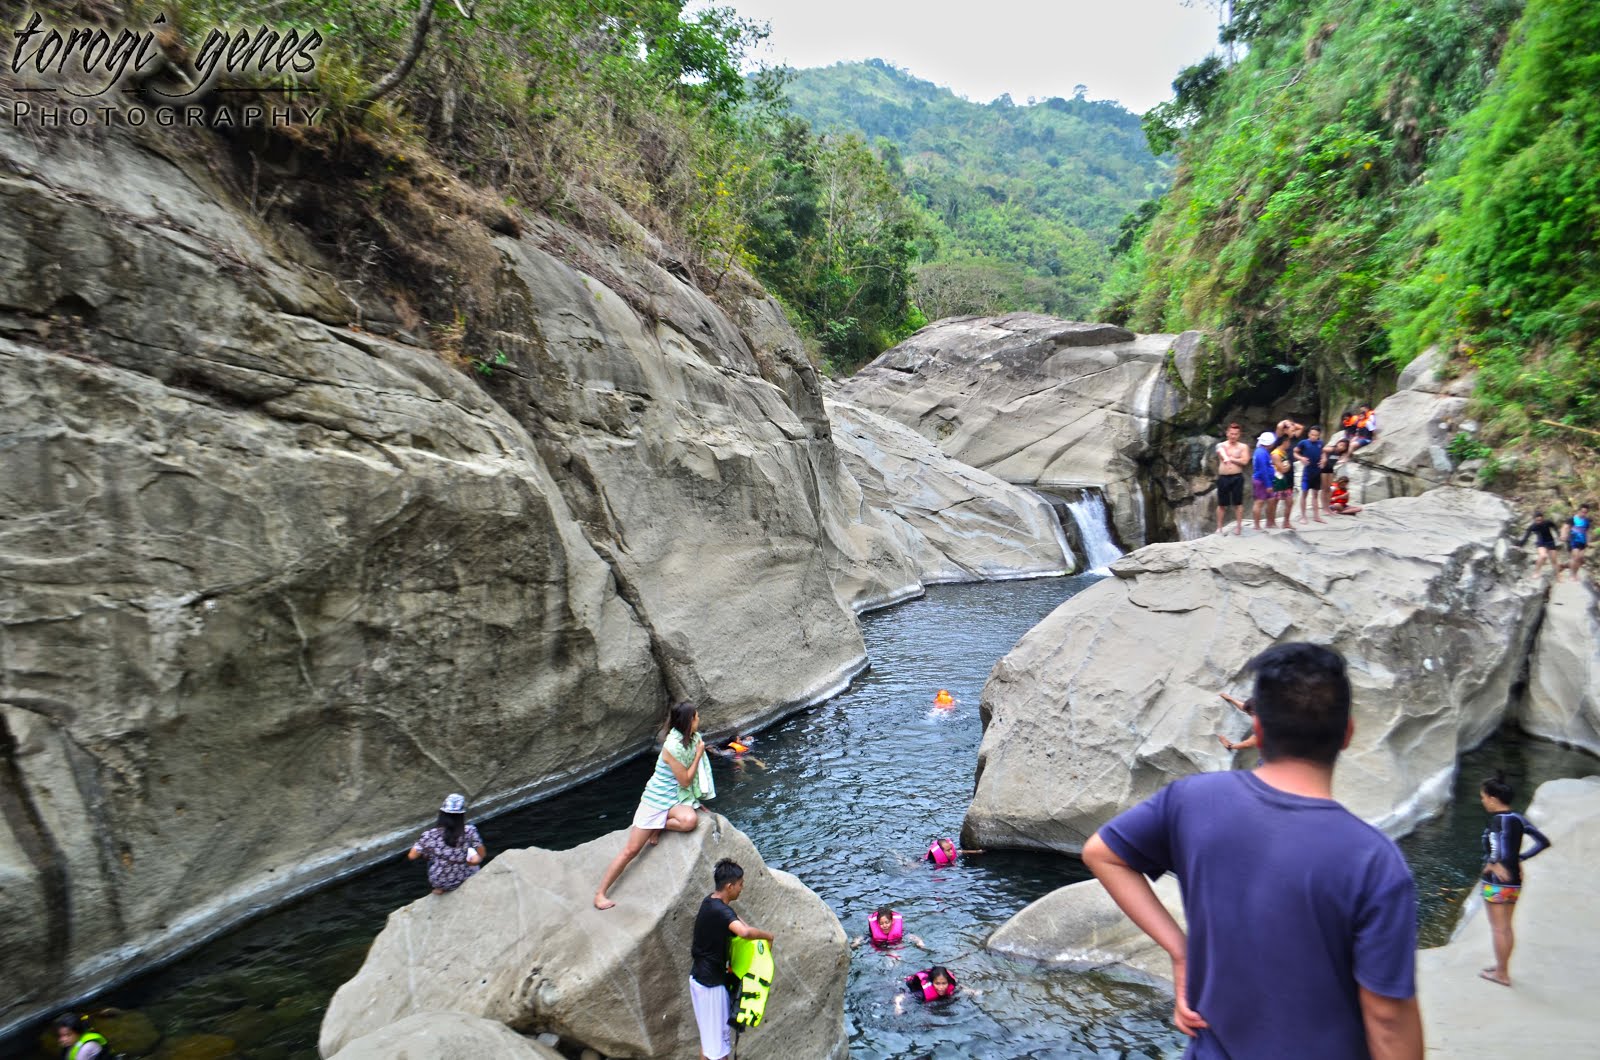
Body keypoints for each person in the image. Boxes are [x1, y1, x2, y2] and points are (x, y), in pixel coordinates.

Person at [1083, 643, 1423, 1059]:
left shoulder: (1190, 800)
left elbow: (1102, 853)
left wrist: (1181, 952)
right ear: (1348, 733)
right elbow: (1387, 1018)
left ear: (1257, 730)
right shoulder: (1374, 860)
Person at [594, 701, 712, 909]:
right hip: (655, 800)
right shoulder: (672, 747)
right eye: (696, 716)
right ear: (689, 721)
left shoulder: (693, 739)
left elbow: (687, 784)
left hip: (675, 797)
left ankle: (658, 826)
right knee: (631, 850)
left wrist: (694, 801)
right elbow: (685, 780)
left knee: (689, 821)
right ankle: (600, 893)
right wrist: (698, 755)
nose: (699, 719)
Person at [690, 859, 774, 1060]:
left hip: (699, 979)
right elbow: (744, 932)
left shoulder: (710, 902)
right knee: (719, 1050)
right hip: (711, 986)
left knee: (709, 1044)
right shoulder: (721, 911)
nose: (742, 888)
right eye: (740, 884)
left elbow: (741, 924)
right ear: (729, 886)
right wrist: (768, 936)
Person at [1477, 771, 1552, 987]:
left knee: (1498, 929)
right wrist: (1519, 858)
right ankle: (1502, 968)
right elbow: (1543, 842)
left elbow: (1495, 844)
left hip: (1496, 881)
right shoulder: (1518, 819)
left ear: (1493, 798)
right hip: (1514, 881)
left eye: (1483, 797)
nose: (1483, 801)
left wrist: (1492, 862)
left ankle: (1501, 974)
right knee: (1506, 927)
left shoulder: (1496, 820)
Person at [407, 793, 486, 895]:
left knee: (431, 859)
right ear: (462, 815)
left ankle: (439, 888)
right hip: (463, 878)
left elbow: (412, 856)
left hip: (439, 881)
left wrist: (425, 845)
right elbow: (482, 855)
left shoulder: (429, 835)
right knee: (471, 854)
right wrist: (470, 862)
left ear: (442, 814)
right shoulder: (470, 831)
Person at [1214, 423, 1250, 535]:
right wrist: (1227, 458)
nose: (1233, 436)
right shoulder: (1221, 445)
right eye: (1231, 433)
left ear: (1239, 435)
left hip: (1237, 477)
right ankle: (1219, 527)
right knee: (1221, 504)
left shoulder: (1243, 447)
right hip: (1223, 477)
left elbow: (1245, 461)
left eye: (1236, 434)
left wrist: (1231, 459)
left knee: (1238, 503)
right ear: (1227, 433)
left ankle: (1238, 527)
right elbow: (1220, 453)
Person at [895, 964, 976, 1014]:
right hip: (908, 985)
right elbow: (900, 997)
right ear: (932, 983)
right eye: (937, 984)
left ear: (948, 982)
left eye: (944, 983)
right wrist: (898, 1007)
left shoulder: (951, 985)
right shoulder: (921, 994)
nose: (941, 987)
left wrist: (972, 992)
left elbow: (961, 988)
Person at [851, 906, 929, 954]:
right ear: (877, 924)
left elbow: (912, 936)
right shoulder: (873, 934)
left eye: (887, 922)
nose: (884, 925)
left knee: (896, 953)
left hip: (895, 945)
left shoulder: (900, 932)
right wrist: (856, 943)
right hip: (879, 947)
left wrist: (919, 942)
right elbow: (861, 937)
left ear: (892, 921)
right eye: (881, 923)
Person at [1295, 426, 1326, 524]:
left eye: (1316, 435)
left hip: (1317, 472)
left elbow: (1323, 453)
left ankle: (1316, 516)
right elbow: (1295, 452)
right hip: (1307, 472)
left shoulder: (1320, 443)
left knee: (1315, 494)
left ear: (1319, 436)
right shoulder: (1303, 443)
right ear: (1309, 434)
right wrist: (1301, 458)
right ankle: (1303, 516)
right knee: (1304, 494)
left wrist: (1324, 459)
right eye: (1312, 434)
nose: (1313, 437)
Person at [1517, 510, 1560, 578]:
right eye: (1537, 520)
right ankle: (1536, 572)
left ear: (1543, 518)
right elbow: (1526, 537)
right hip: (1541, 543)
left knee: (1554, 560)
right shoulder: (1533, 526)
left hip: (1550, 542)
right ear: (1534, 520)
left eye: (1540, 520)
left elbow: (1555, 526)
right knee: (1543, 556)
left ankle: (1558, 576)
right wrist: (1520, 545)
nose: (1539, 522)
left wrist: (1559, 534)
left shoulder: (1547, 522)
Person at [1251, 432, 1277, 530]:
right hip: (1261, 481)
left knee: (1271, 500)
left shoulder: (1263, 451)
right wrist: (1268, 485)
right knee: (1259, 502)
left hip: (1266, 480)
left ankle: (1269, 522)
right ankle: (1256, 525)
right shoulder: (1261, 453)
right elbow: (1263, 470)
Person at [1270, 437, 1295, 530]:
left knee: (1289, 501)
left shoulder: (1283, 452)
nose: (1289, 444)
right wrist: (1287, 467)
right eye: (1288, 442)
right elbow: (1283, 469)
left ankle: (1286, 522)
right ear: (1285, 442)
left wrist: (1287, 467)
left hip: (1284, 480)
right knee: (1275, 501)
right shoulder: (1275, 454)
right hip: (1277, 480)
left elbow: (1287, 466)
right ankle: (1272, 522)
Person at [1561, 503, 1590, 582]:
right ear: (1579, 511)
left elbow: (1587, 532)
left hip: (1583, 542)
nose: (1584, 514)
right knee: (1575, 557)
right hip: (1573, 541)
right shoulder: (1572, 519)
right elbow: (1564, 527)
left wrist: (1588, 541)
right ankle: (1572, 575)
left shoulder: (1586, 521)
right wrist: (1563, 535)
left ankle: (1575, 573)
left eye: (1586, 512)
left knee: (1580, 559)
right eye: (1582, 512)